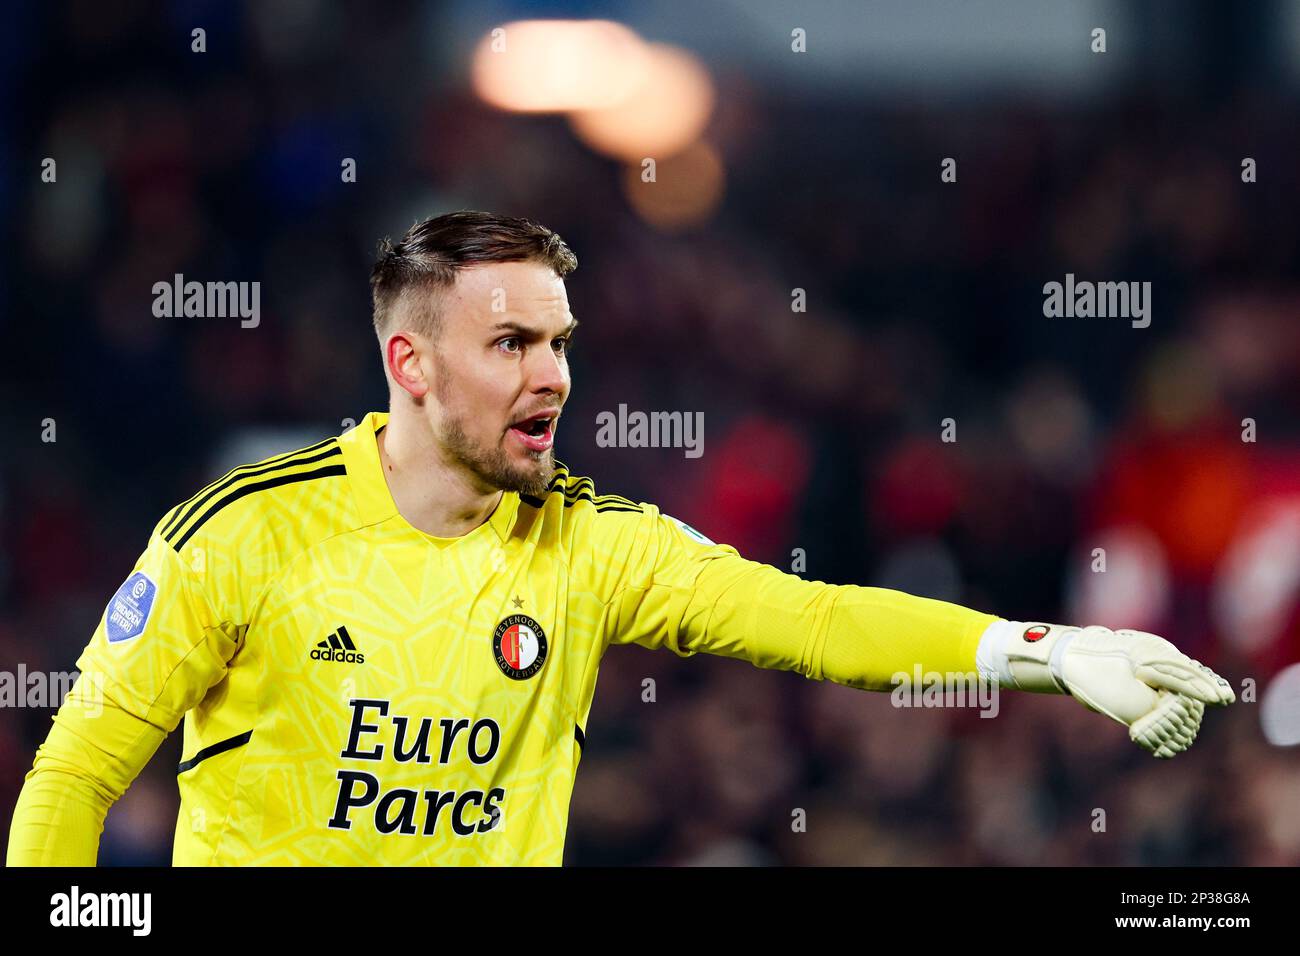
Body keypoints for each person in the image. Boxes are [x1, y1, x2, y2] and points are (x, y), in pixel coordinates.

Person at [7, 211, 1235, 866]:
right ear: (411, 365)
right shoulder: (243, 535)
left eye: (561, 342)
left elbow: (809, 619)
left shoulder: (592, 544)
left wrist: (1047, 646)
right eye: (512, 346)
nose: (553, 376)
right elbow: (71, 776)